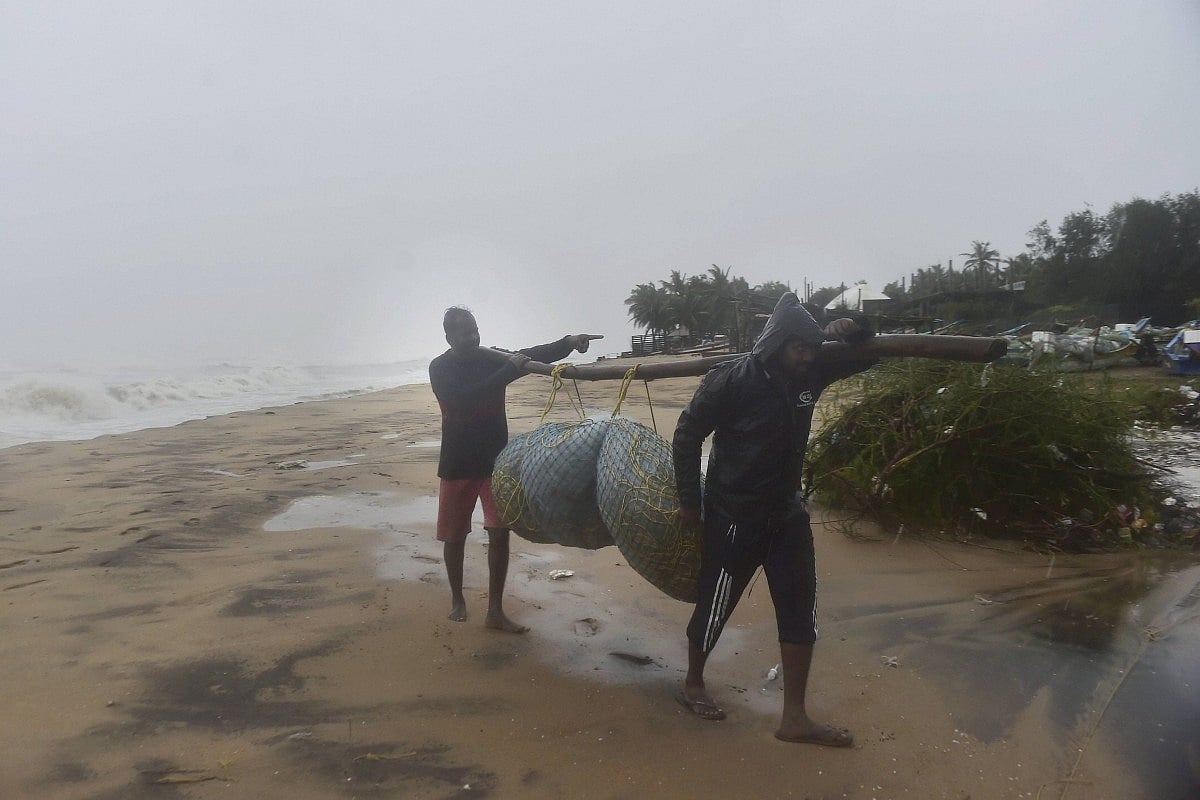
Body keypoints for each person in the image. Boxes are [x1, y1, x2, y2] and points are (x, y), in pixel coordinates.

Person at [671, 292, 875, 745]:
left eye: (812, 346)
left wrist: (855, 327)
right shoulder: (730, 380)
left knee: (800, 609)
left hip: (787, 514)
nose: (807, 354)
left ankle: (795, 718)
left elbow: (868, 355)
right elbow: (686, 435)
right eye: (800, 346)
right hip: (733, 515)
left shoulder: (813, 371)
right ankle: (693, 683)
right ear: (777, 342)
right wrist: (690, 501)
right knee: (716, 603)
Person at [428, 306, 600, 632]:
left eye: (475, 329)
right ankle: (457, 599)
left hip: (497, 462)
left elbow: (532, 356)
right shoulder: (440, 368)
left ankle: (495, 610)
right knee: (454, 535)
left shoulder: (492, 357)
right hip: (457, 464)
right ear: (449, 337)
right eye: (464, 332)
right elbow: (464, 400)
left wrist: (568, 341)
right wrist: (508, 370)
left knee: (499, 532)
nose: (472, 337)